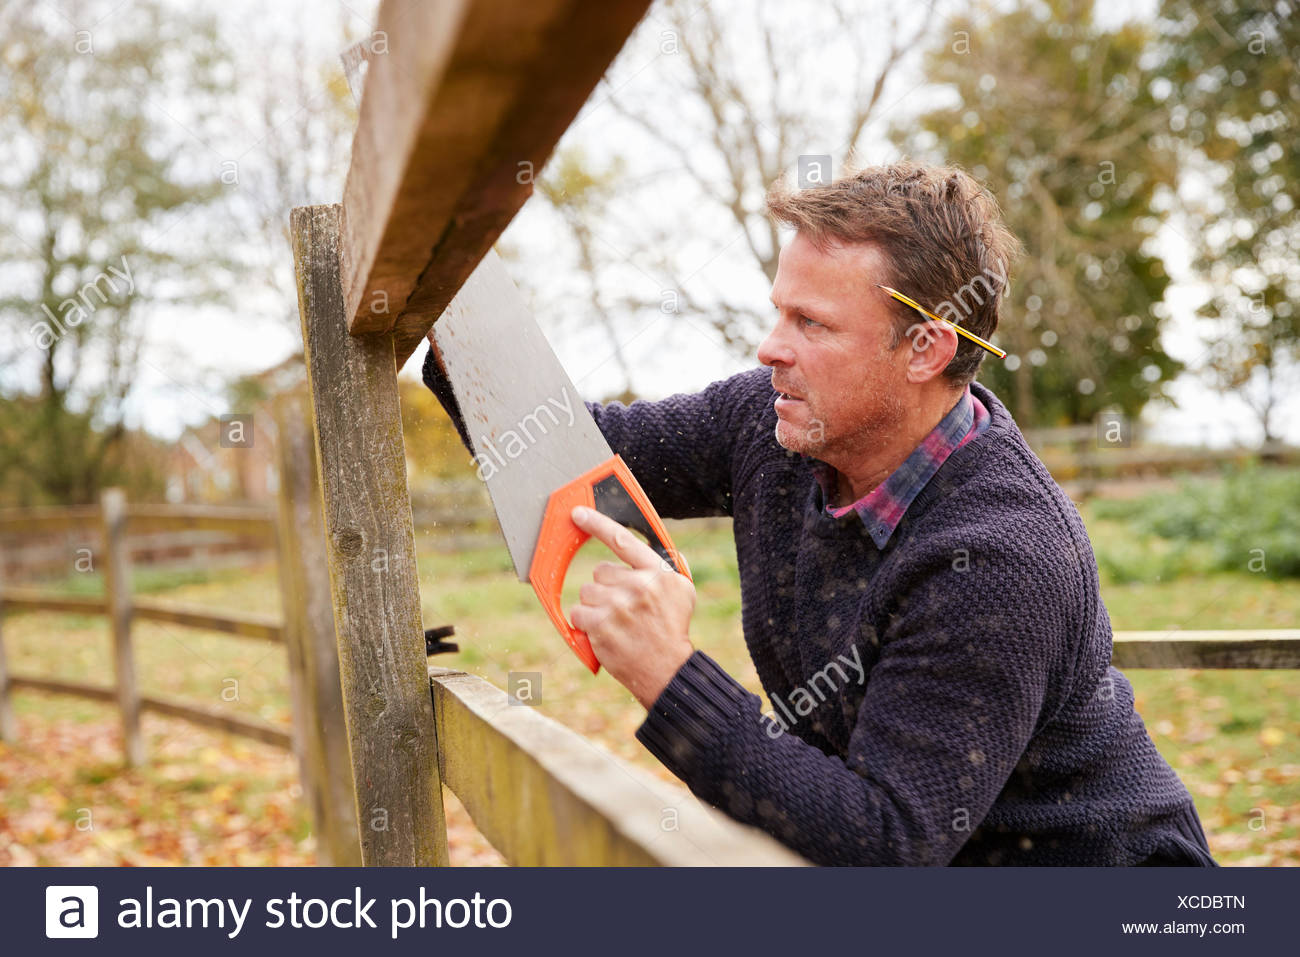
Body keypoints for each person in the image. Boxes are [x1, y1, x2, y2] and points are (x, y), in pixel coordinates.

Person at [422, 162, 1216, 867]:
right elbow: (582, 453)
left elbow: (885, 844)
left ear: (926, 349)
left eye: (812, 323)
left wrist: (669, 677)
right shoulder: (774, 423)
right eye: (779, 312)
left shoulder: (999, 556)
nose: (771, 347)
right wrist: (457, 311)